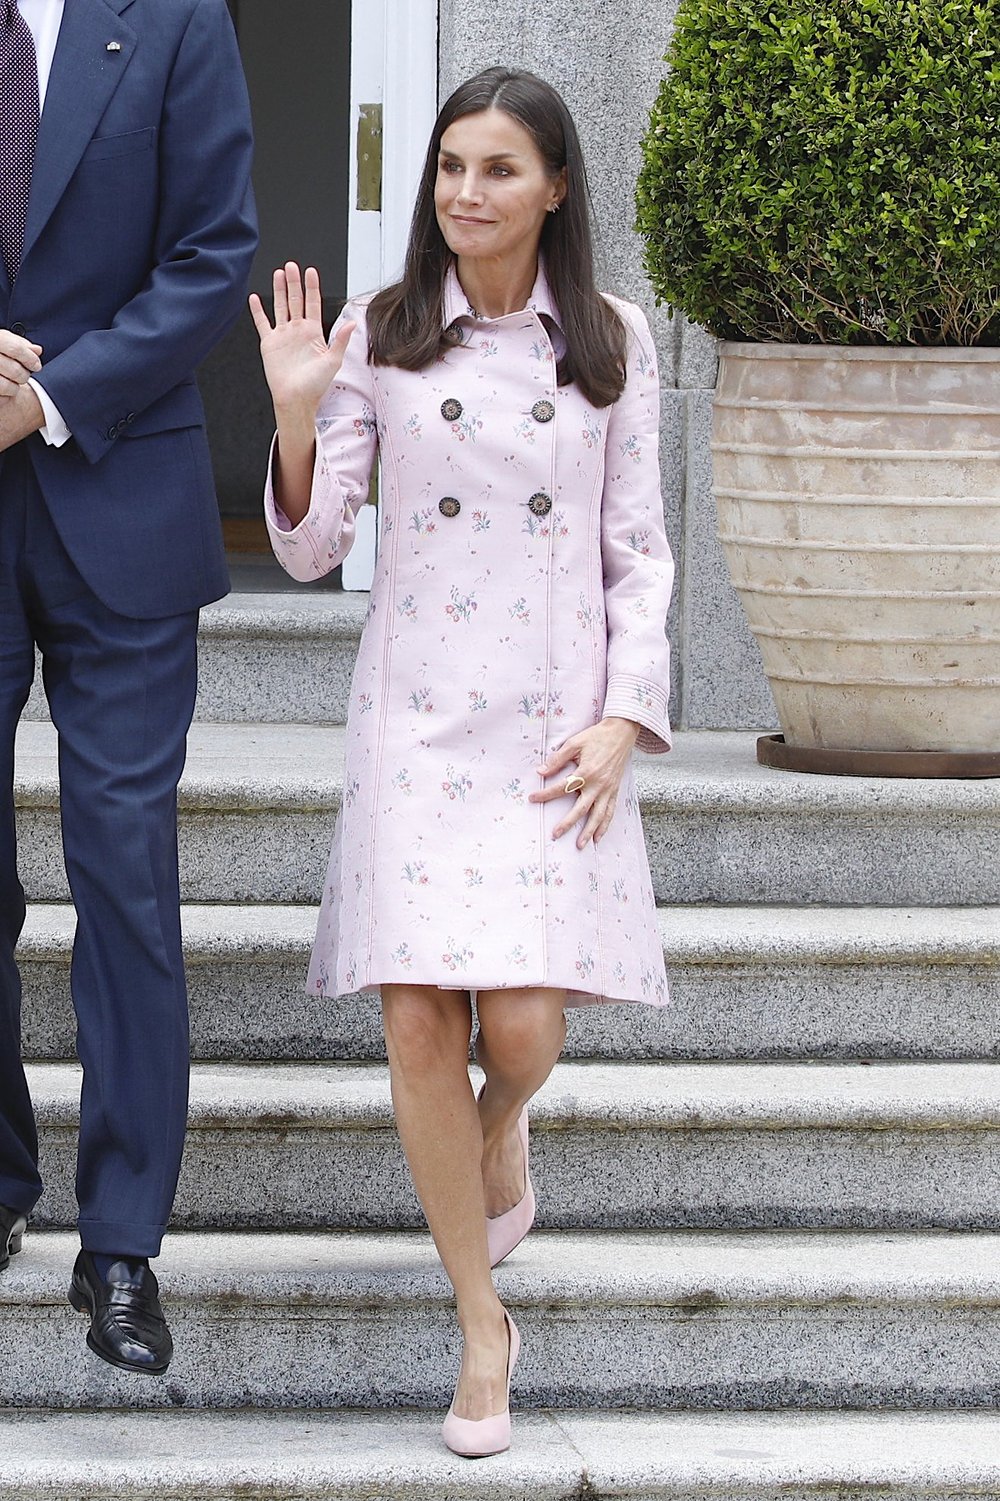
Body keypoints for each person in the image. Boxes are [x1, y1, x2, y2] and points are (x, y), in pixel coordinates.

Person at [251, 66, 671, 1456]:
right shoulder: (383, 330)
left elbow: (638, 550)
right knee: (422, 1022)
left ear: (555, 187)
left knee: (527, 1031)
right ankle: (483, 1324)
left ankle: (502, 1130)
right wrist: (297, 413)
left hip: (551, 725)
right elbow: (314, 546)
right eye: (449, 168)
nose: (466, 194)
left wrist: (625, 716)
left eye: (498, 169)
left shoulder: (611, 338)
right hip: (417, 720)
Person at [0, 0, 256, 1374]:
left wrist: (51, 395)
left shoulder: (173, 18)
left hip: (123, 493)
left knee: (124, 875)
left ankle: (120, 1246)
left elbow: (213, 248)